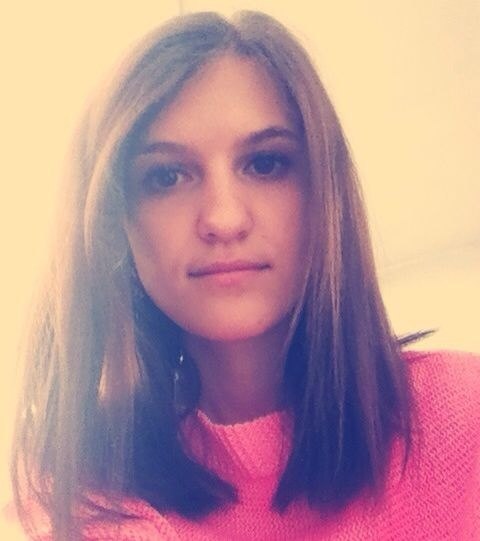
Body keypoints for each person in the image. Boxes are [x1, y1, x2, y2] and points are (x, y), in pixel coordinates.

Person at [9, 10, 480, 540]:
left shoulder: (463, 413)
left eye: (265, 164)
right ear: (114, 222)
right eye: (166, 176)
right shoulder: (83, 490)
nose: (223, 218)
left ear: (324, 194)